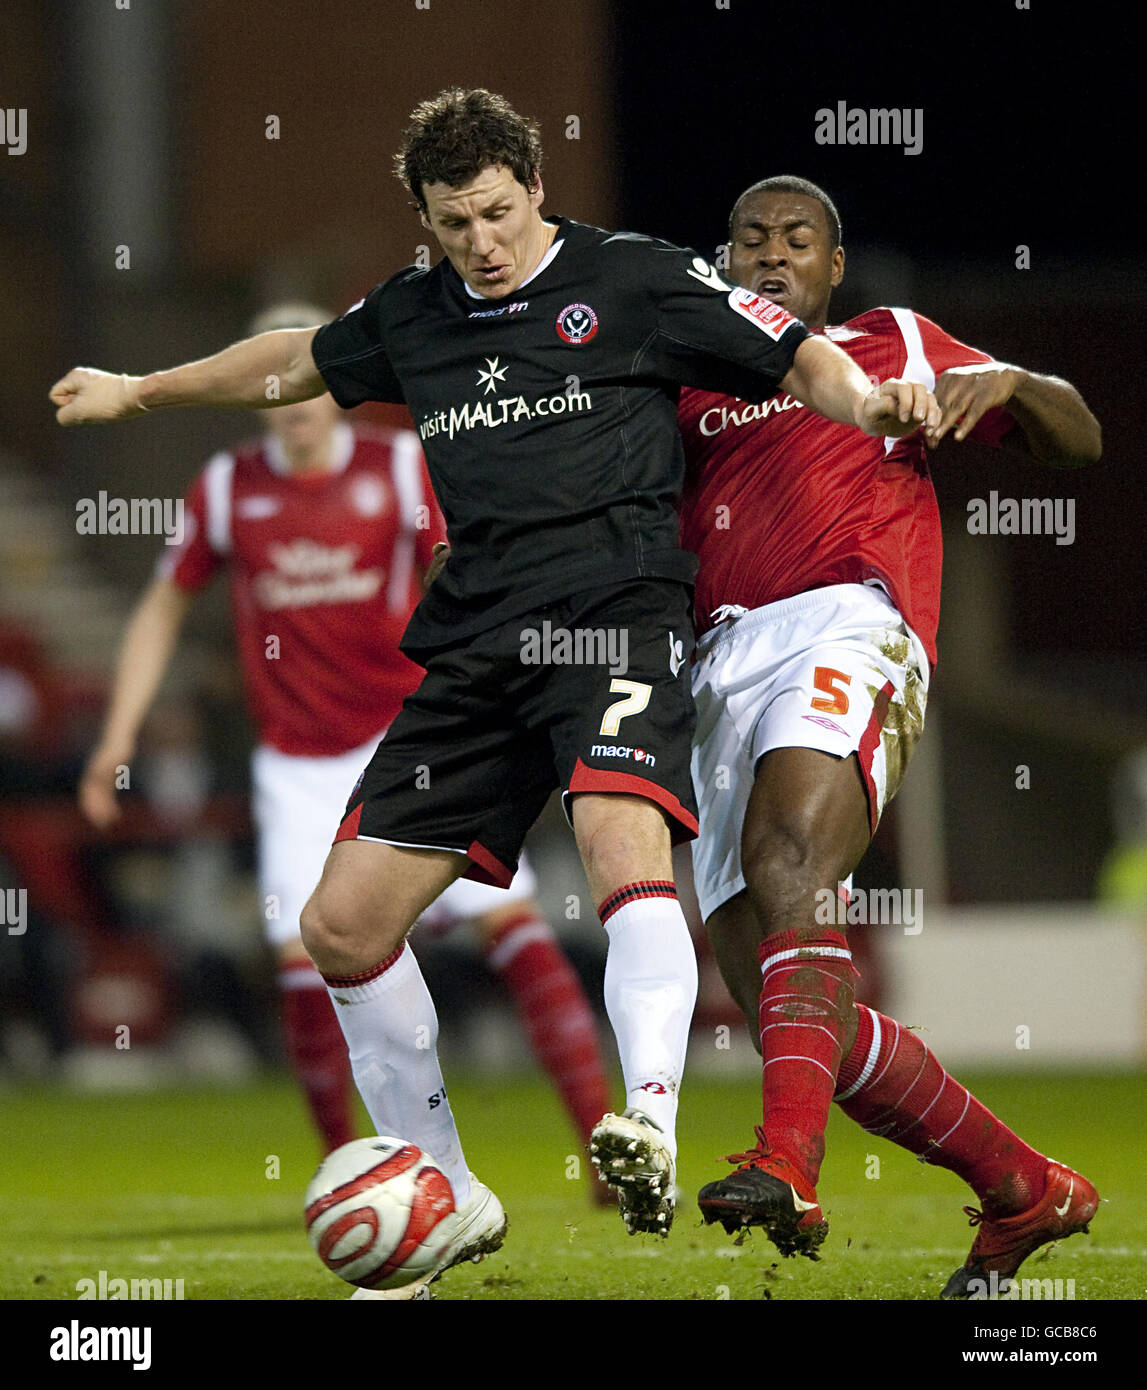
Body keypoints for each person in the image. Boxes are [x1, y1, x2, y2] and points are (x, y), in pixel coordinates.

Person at [50, 90, 937, 1289]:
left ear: (533, 185)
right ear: (424, 216)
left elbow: (793, 350)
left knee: (624, 845)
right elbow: (291, 366)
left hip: (615, 619)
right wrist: (142, 389)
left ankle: (651, 1123)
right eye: (455, 220)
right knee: (340, 927)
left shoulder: (632, 276)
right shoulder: (414, 315)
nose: (483, 240)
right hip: (475, 649)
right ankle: (446, 1185)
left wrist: (869, 401)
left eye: (500, 211)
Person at [677, 175, 1102, 1296]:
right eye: (751, 239)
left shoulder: (890, 341)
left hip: (848, 622)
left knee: (789, 862)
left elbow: (1076, 437)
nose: (772, 255)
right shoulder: (685, 377)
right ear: (724, 262)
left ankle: (788, 1165)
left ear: (832, 264)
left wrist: (1009, 381)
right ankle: (1024, 1191)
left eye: (796, 239)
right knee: (769, 985)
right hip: (714, 669)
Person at [78, 302, 614, 1179]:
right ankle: (349, 1174)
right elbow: (164, 605)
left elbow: (468, 568)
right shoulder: (227, 489)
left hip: (412, 749)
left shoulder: (403, 468)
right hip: (297, 767)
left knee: (507, 923)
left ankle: (599, 1147)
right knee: (307, 960)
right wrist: (119, 736)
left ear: (335, 384)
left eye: (304, 380)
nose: (288, 398)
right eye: (271, 385)